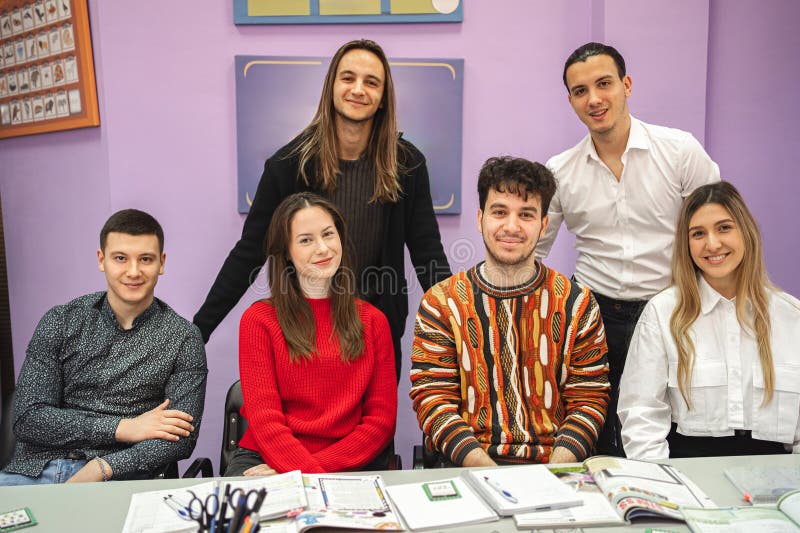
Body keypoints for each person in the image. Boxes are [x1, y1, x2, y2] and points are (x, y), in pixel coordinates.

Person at [194, 39, 450, 378]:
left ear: (383, 97)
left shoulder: (407, 165)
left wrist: (459, 324)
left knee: (377, 415)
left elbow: (427, 252)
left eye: (371, 82)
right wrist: (197, 332)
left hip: (377, 332)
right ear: (331, 86)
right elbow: (250, 252)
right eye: (348, 78)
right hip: (303, 334)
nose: (358, 90)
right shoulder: (288, 165)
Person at [536, 42, 721, 456]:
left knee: (673, 432)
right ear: (571, 101)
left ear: (627, 85)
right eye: (580, 91)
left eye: (604, 84)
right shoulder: (559, 171)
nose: (594, 99)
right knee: (595, 435)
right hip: (593, 315)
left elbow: (718, 232)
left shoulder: (679, 151)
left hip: (673, 310)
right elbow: (533, 250)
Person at [410, 156, 609, 467]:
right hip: (471, 466)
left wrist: (553, 476)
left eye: (526, 214)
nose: (511, 226)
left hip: (553, 467)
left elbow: (589, 400)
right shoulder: (441, 304)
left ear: (544, 225)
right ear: (480, 219)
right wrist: (492, 476)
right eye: (500, 212)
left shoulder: (577, 303)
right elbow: (433, 402)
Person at [0, 209, 207, 485]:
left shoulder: (183, 338)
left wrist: (102, 468)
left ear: (161, 263)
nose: (133, 272)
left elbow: (180, 439)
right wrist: (123, 427)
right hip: (34, 472)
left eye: (145, 259)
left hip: (118, 477)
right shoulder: (60, 321)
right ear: (102, 260)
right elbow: (28, 418)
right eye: (120, 258)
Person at [619, 182, 800, 459]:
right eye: (698, 233)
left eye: (724, 228)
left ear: (746, 232)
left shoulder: (791, 315)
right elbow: (642, 418)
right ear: (686, 244)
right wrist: (662, 481)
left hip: (775, 474)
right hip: (687, 469)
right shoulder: (662, 313)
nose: (712, 244)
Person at [225, 193, 397, 476]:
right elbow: (265, 421)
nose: (323, 248)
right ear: (286, 252)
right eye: (306, 240)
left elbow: (380, 423)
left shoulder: (373, 321)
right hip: (266, 457)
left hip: (347, 461)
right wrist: (295, 469)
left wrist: (301, 474)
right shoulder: (259, 321)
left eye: (328, 234)